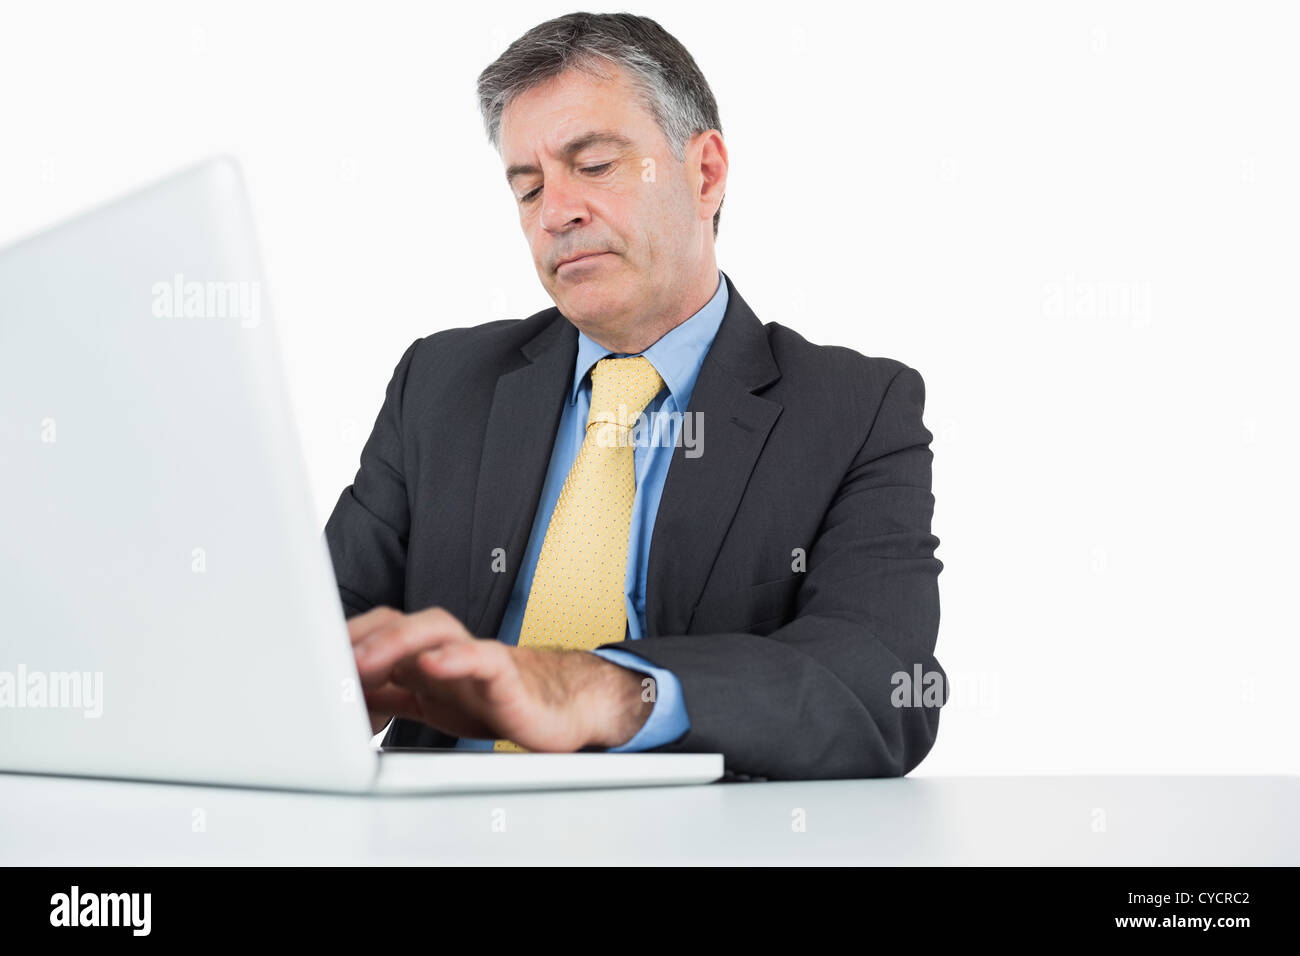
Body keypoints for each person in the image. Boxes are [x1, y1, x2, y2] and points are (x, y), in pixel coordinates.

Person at [327, 12, 945, 780]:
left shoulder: (856, 409)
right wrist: (326, 685)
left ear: (705, 174)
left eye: (593, 166)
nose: (556, 213)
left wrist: (605, 691)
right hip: (437, 823)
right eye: (528, 188)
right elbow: (319, 627)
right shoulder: (440, 383)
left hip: (690, 832)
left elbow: (882, 682)